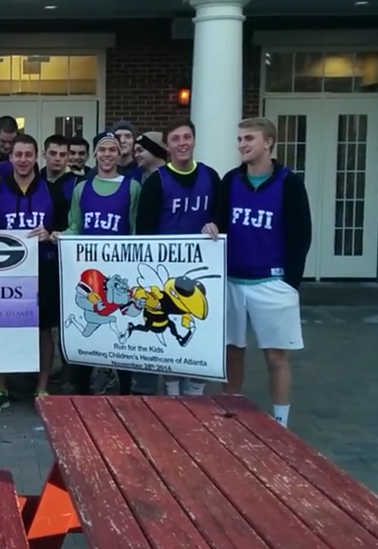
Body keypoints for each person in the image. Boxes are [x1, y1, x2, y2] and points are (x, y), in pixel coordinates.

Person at [203, 117, 311, 428]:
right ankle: (231, 411)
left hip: (272, 281)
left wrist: (291, 282)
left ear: (268, 143)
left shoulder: (289, 182)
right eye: (239, 139)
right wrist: (212, 226)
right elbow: (219, 220)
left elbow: (301, 234)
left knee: (275, 356)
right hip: (234, 280)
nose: (242, 145)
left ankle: (281, 421)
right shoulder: (230, 181)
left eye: (249, 139)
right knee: (232, 351)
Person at [0, 134, 68, 415]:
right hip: (6, 275)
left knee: (43, 330)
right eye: (18, 155)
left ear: (37, 156)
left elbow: (66, 229)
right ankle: (1, 386)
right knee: (5, 329)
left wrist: (51, 233)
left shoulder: (52, 191)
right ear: (10, 157)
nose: (23, 160)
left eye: (28, 154)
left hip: (44, 269)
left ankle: (42, 387)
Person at [135, 120, 220, 397]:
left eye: (187, 137)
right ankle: (172, 391)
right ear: (167, 146)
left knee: (201, 329)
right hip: (168, 269)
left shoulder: (210, 176)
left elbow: (222, 217)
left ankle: (196, 390)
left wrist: (215, 225)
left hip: (203, 267)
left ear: (194, 140)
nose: (182, 142)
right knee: (170, 334)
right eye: (175, 139)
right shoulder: (156, 182)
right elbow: (144, 231)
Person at [54, 131, 140, 396]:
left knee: (121, 327)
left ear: (119, 154)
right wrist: (58, 236)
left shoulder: (132, 187)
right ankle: (82, 388)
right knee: (91, 326)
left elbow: (136, 231)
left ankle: (125, 389)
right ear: (95, 154)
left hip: (119, 271)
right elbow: (75, 227)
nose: (107, 155)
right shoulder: (82, 188)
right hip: (89, 272)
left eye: (112, 150)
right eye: (102, 150)